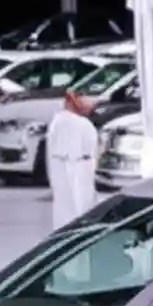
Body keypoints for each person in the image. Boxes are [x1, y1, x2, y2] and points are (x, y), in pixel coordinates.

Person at [46, 91, 99, 233]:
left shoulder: (59, 121)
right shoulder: (77, 123)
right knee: (78, 205)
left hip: (68, 166)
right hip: (77, 166)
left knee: (66, 207)